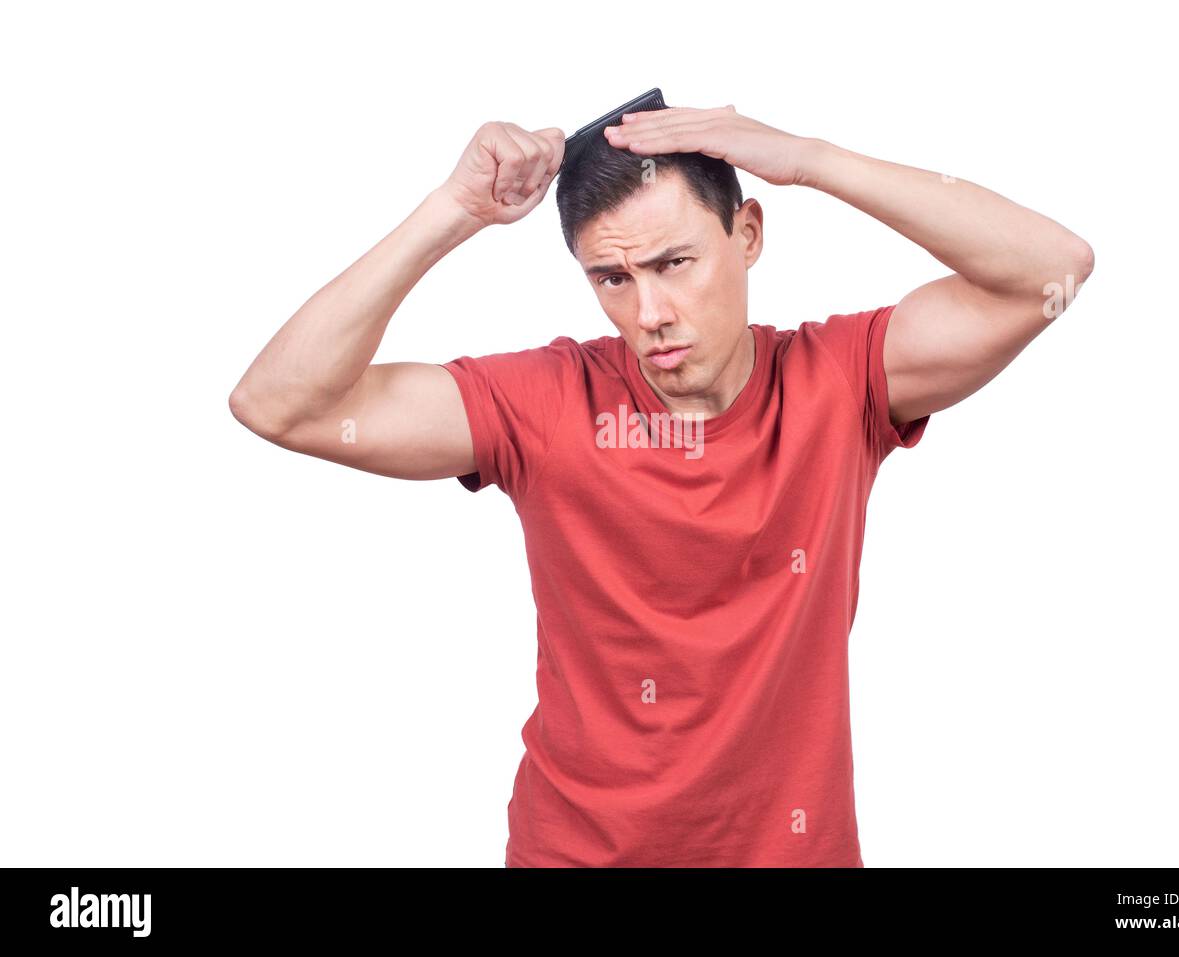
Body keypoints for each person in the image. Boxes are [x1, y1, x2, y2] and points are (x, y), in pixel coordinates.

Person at [228, 103, 1094, 867]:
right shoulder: (545, 402)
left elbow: (1051, 268)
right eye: (613, 278)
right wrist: (452, 212)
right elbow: (281, 405)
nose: (649, 314)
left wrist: (811, 159)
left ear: (748, 234)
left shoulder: (843, 379)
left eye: (675, 263)